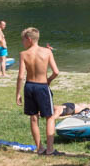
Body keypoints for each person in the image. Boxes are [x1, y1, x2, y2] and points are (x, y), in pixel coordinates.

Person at [15, 27, 61, 155]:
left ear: (29, 39)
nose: (22, 43)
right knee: (49, 117)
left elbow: (20, 76)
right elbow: (56, 72)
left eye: (23, 40)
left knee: (34, 118)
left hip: (29, 86)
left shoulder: (23, 54)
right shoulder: (47, 52)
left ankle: (40, 148)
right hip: (42, 86)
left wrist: (18, 93)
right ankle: (50, 149)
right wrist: (49, 80)